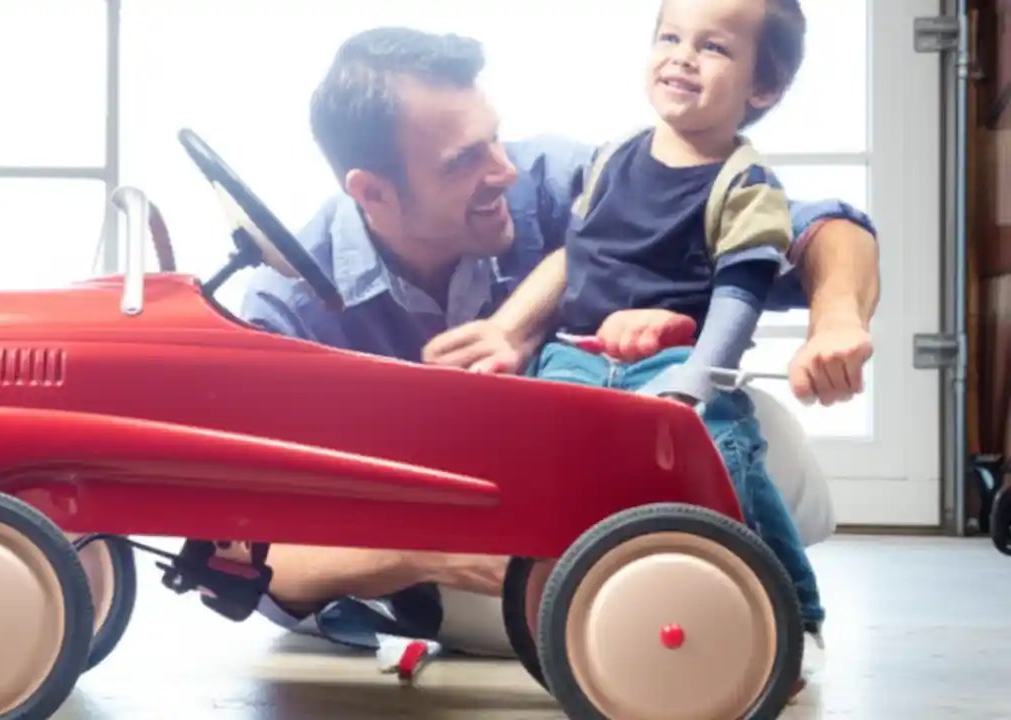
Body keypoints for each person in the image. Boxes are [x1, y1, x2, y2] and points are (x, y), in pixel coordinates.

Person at [232, 24, 877, 667]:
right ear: (371, 192)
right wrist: (447, 550)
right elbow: (242, 551)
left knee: (761, 436)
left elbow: (820, 225)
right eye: (463, 161)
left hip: (621, 524)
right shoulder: (282, 308)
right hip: (450, 574)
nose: (502, 170)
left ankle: (747, 609)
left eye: (494, 138)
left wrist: (838, 316)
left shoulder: (563, 179)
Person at [426, 0, 825, 649]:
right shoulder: (610, 159)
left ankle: (786, 612)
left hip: (675, 363)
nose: (682, 55)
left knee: (722, 456)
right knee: (533, 454)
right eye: (669, 36)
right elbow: (578, 258)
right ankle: (563, 606)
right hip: (575, 354)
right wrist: (512, 331)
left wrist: (694, 383)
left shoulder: (746, 185)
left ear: (764, 86)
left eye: (714, 47)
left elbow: (739, 292)